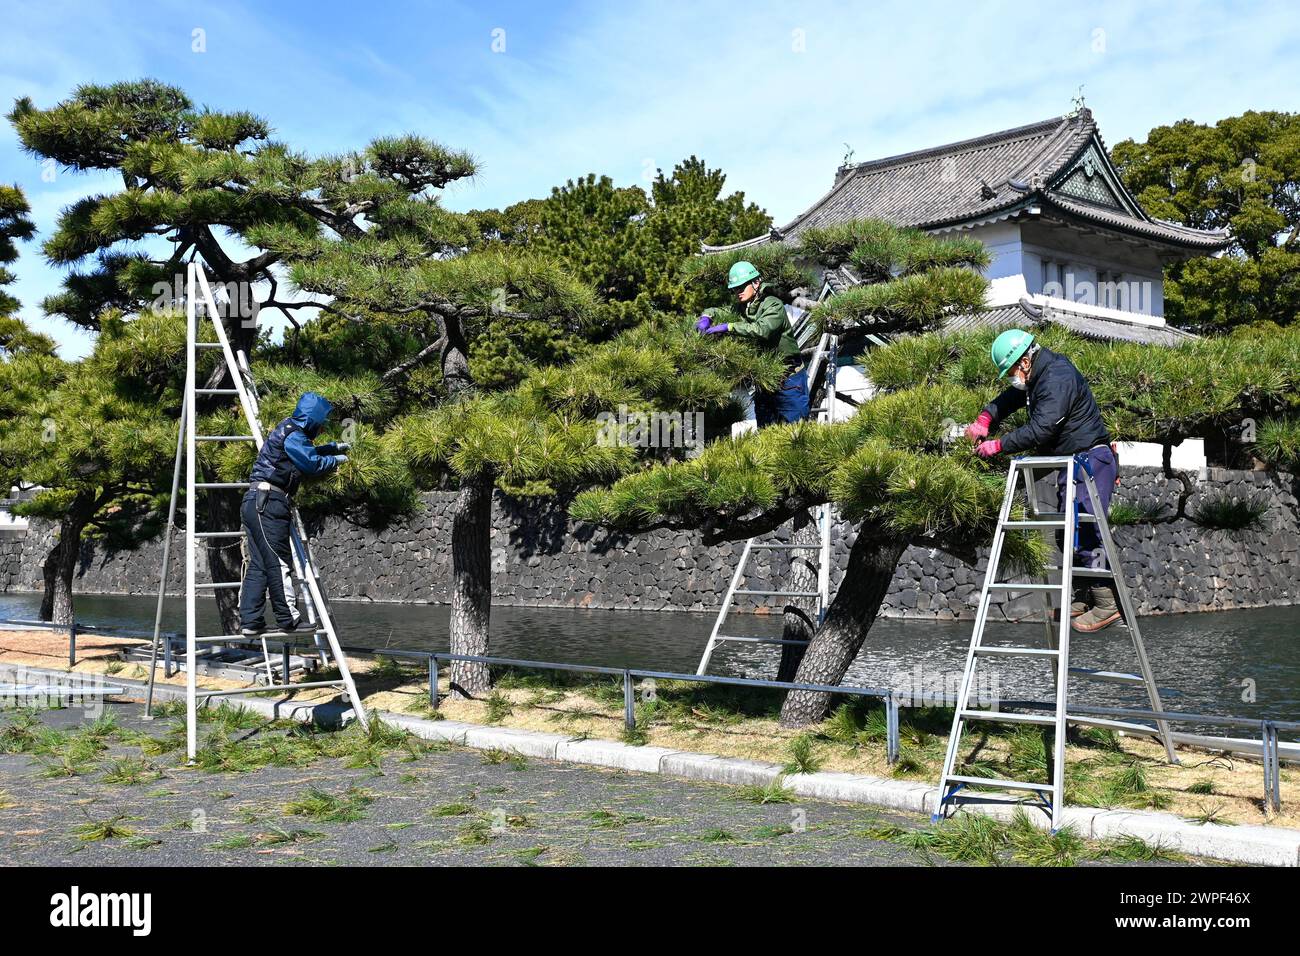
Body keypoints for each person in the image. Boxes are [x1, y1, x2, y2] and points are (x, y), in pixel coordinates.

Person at [963, 329, 1121, 633]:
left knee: (1086, 530)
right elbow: (1011, 397)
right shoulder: (1039, 374)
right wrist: (986, 417)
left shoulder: (1057, 377)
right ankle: (1084, 595)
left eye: (1009, 371)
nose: (1010, 377)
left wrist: (999, 445)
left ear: (1023, 362)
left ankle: (1106, 602)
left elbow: (1042, 429)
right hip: (1075, 462)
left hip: (1090, 461)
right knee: (1067, 532)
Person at [238, 392, 348, 636]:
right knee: (279, 563)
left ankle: (250, 621)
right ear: (313, 420)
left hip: (255, 501)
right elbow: (310, 464)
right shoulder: (294, 435)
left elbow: (303, 453)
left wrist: (331, 448)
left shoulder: (289, 429)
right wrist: (337, 460)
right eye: (321, 424)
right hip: (269, 503)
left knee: (259, 565)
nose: (321, 428)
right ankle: (288, 620)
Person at [696, 260, 809, 426]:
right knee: (766, 437)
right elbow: (720, 311)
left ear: (756, 282)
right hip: (762, 381)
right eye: (735, 289)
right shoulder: (744, 306)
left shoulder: (773, 304)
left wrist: (730, 326)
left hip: (789, 380)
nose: (738, 292)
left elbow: (763, 329)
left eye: (741, 287)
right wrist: (707, 316)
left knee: (796, 435)